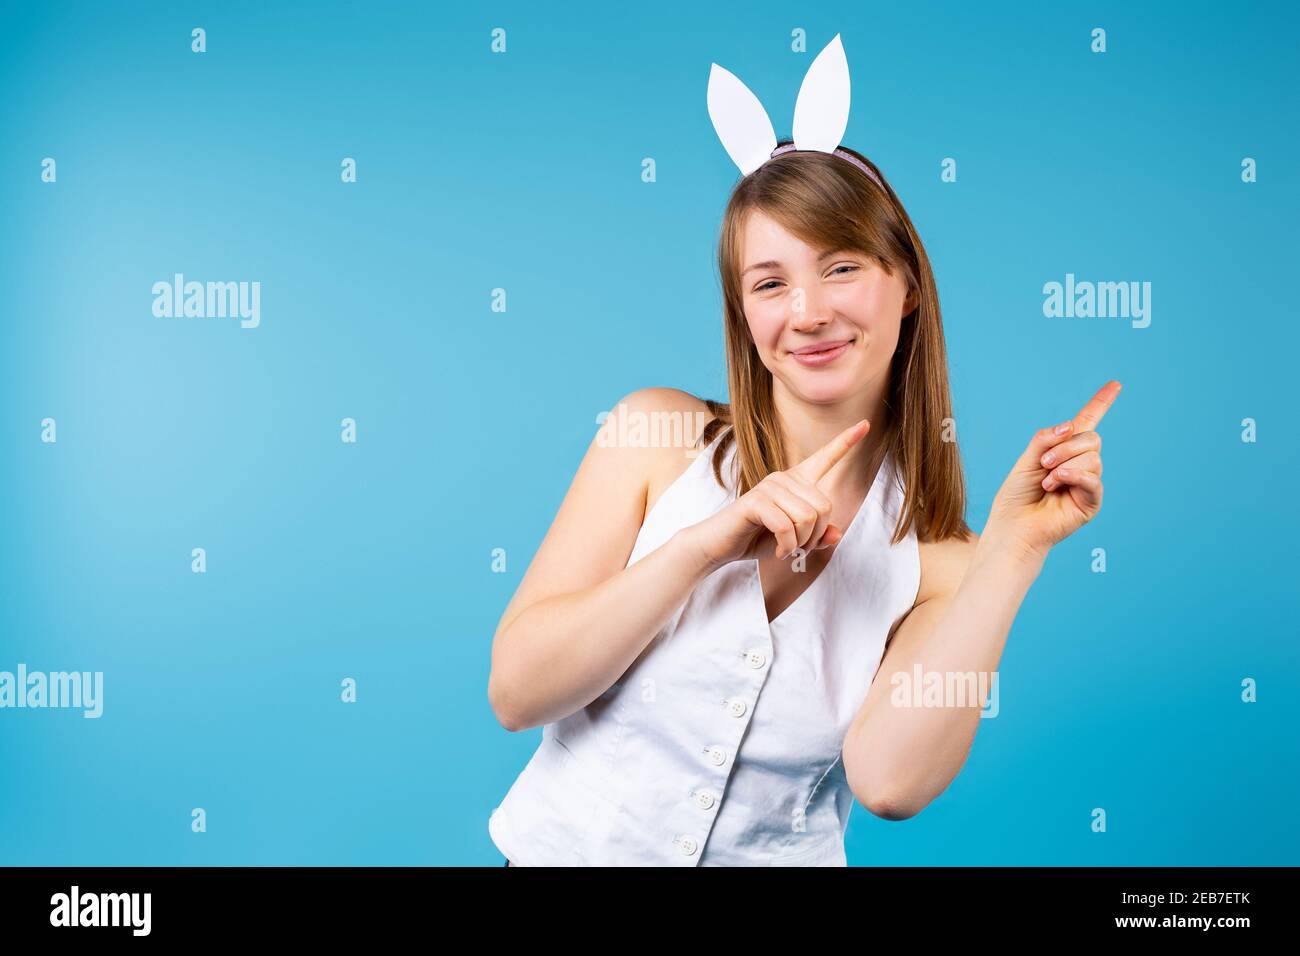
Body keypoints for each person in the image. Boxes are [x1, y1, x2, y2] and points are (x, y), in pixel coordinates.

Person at [486, 33, 1120, 866]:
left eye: (843, 267)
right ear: (744, 313)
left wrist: (1014, 554)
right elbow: (518, 692)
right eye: (771, 282)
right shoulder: (655, 437)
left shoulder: (941, 559)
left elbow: (891, 783)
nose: (809, 312)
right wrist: (701, 549)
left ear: (908, 286)